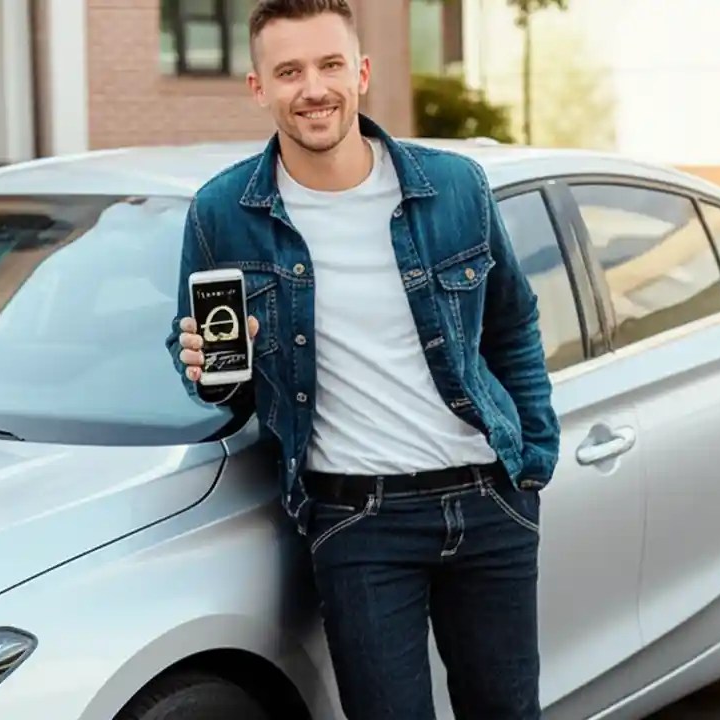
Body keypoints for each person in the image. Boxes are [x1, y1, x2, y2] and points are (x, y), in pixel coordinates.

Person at [166, 1, 559, 717]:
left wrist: (532, 456)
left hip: (488, 502)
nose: (312, 88)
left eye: (329, 65)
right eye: (288, 71)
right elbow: (213, 373)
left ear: (363, 73)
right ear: (259, 87)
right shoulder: (221, 214)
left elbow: (513, 322)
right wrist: (199, 364)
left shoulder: (457, 188)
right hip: (358, 522)